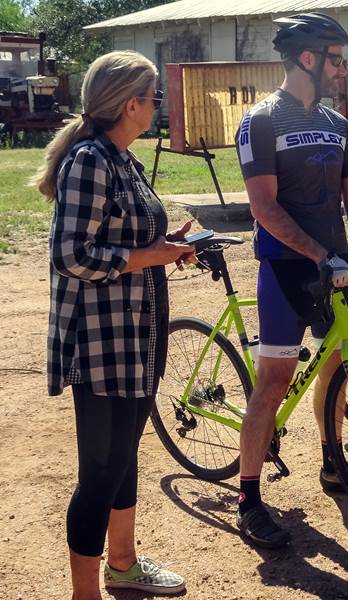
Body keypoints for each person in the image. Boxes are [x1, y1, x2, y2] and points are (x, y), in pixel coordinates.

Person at [34, 51, 194, 598]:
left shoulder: (123, 159)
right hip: (101, 338)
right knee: (100, 470)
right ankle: (86, 593)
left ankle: (123, 564)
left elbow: (128, 239)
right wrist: (152, 256)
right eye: (153, 98)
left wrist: (170, 249)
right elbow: (71, 254)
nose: (157, 107)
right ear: (130, 104)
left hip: (136, 331)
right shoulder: (91, 161)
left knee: (124, 456)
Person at [235, 13, 348, 549]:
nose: (344, 70)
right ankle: (249, 498)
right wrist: (321, 254)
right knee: (273, 381)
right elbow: (264, 207)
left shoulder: (336, 124)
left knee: (338, 367)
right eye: (337, 59)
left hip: (337, 267)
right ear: (309, 59)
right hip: (287, 268)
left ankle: (332, 464)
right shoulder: (261, 120)